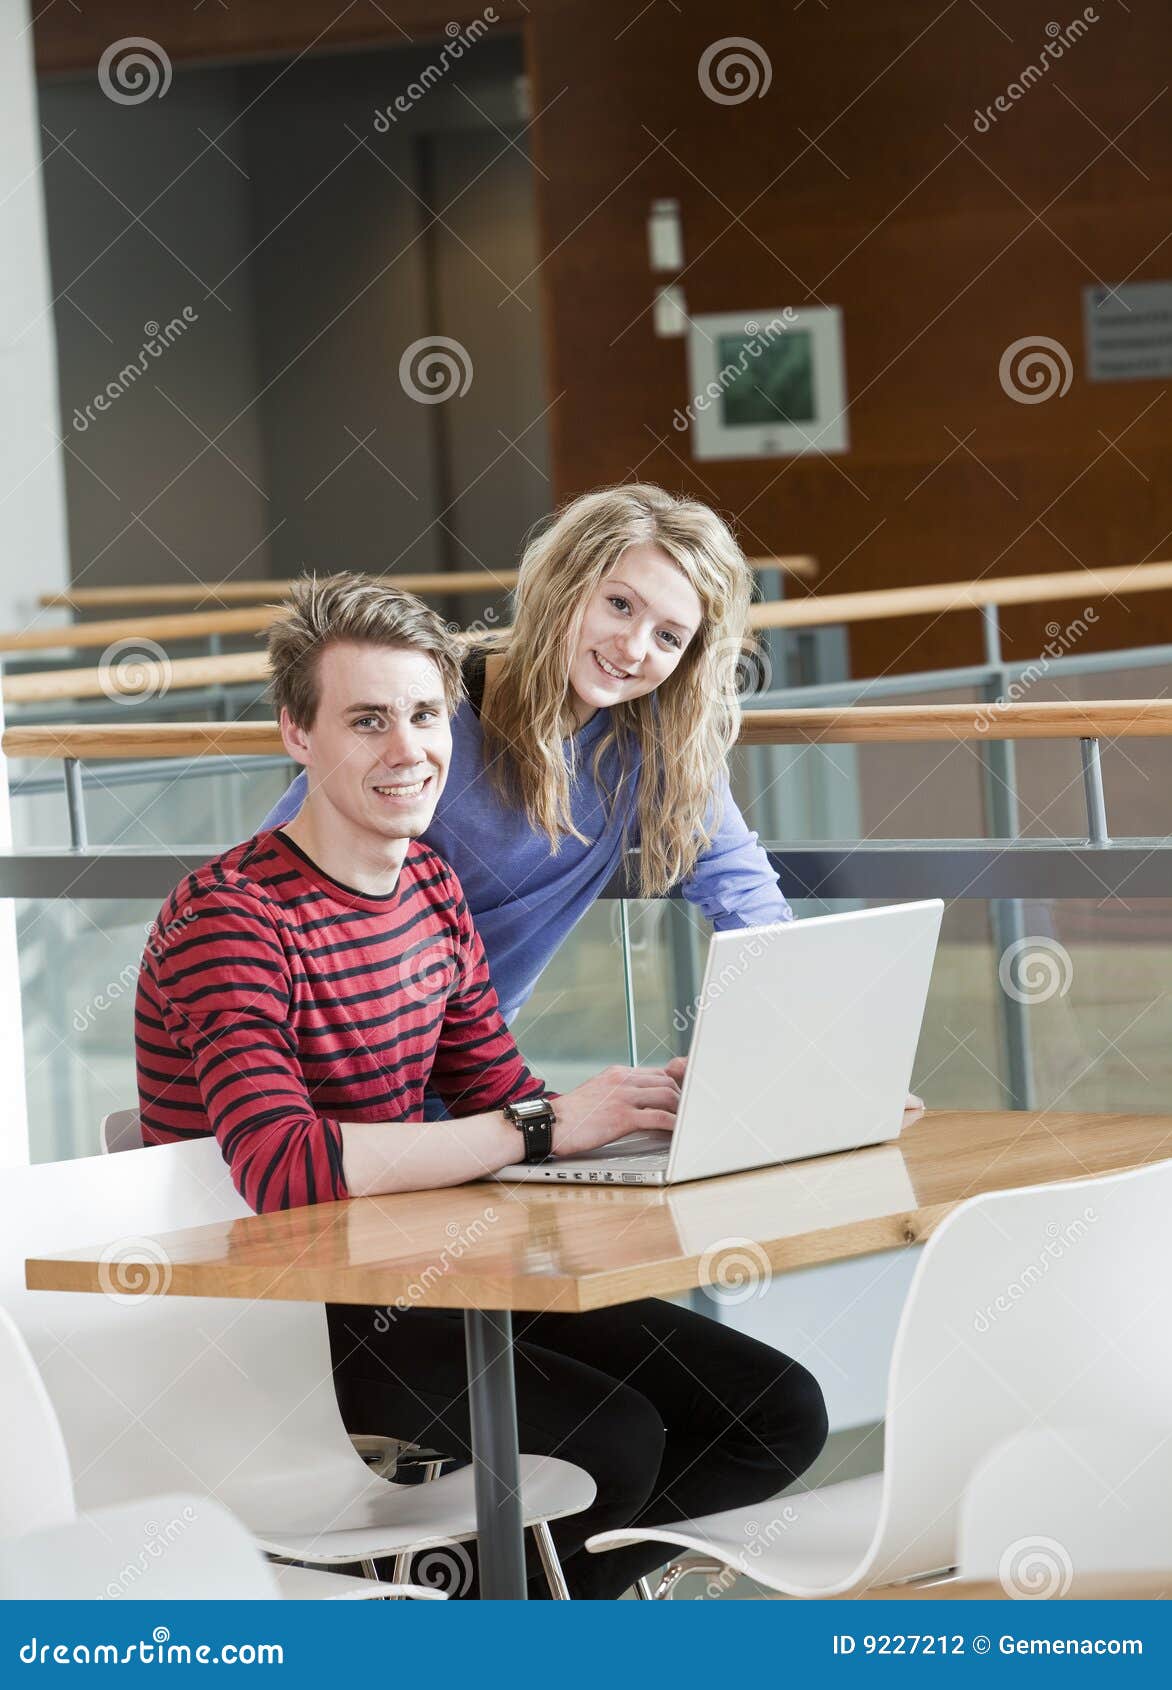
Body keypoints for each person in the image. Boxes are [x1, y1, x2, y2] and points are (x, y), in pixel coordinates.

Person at [135, 577, 828, 1600]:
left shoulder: (429, 889)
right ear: (296, 733)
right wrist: (541, 1124)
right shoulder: (229, 917)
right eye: (366, 721)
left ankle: (487, 1620)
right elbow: (286, 1167)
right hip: (284, 1316)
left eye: (425, 716)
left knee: (772, 1410)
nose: (407, 749)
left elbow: (500, 1093)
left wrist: (694, 1112)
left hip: (426, 1271)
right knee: (613, 1441)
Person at [260, 483, 794, 1037]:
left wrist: (807, 1039)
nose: (633, 648)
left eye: (668, 637)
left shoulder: (661, 745)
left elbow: (745, 896)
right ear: (565, 585)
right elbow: (276, 873)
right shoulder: (430, 709)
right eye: (619, 605)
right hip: (333, 1045)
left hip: (478, 1062)